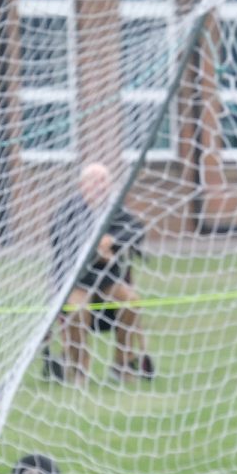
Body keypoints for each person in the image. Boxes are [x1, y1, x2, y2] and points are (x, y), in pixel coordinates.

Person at [46, 162, 152, 386]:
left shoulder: (114, 209)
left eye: (104, 180)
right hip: (77, 282)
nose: (100, 186)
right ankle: (78, 370)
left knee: (131, 302)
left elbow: (136, 229)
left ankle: (122, 364)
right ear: (82, 185)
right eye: (94, 180)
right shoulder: (67, 211)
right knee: (77, 310)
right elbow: (63, 244)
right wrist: (94, 249)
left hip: (107, 281)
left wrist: (112, 241)